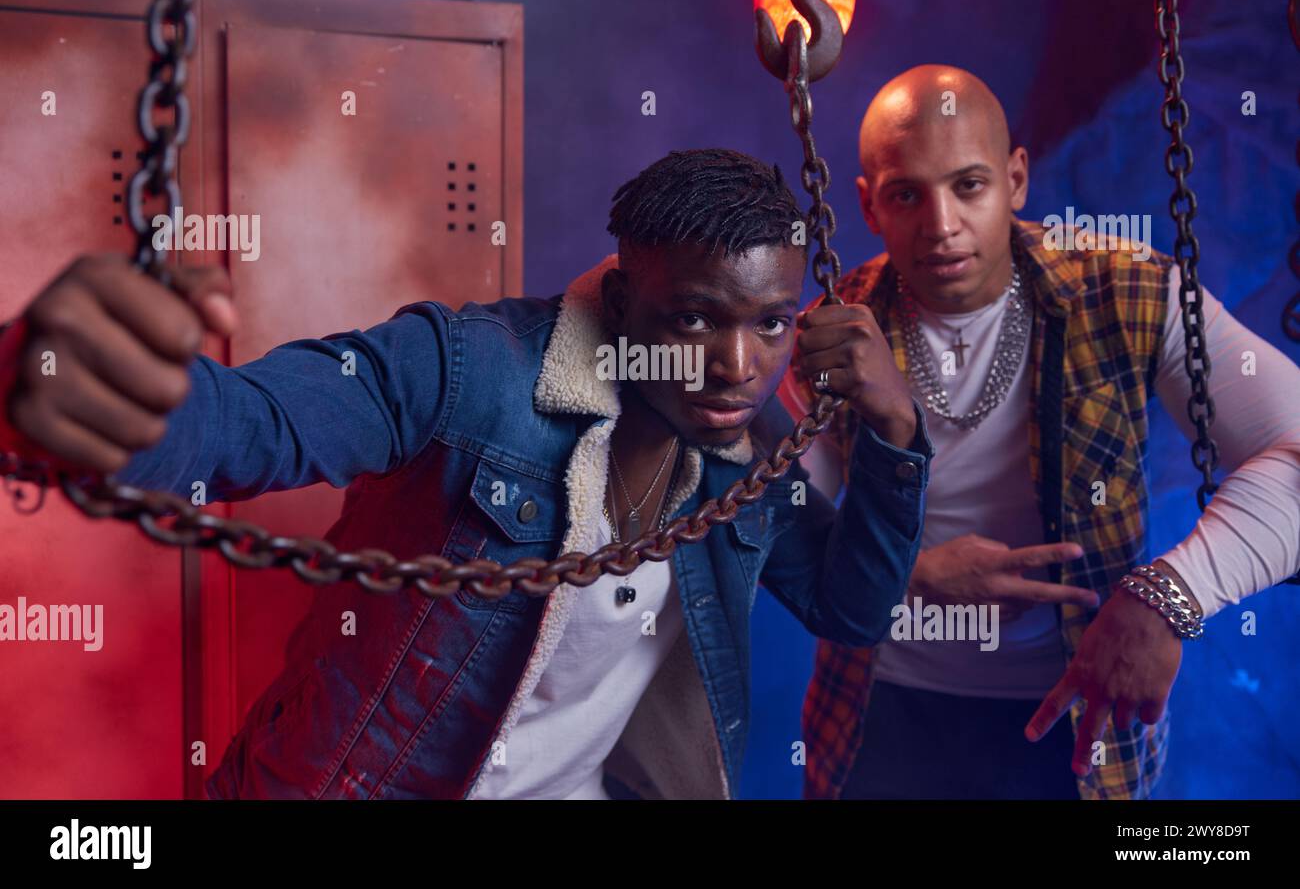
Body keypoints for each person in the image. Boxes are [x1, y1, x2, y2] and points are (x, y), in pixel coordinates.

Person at [0, 147, 933, 799]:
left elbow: (849, 609)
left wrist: (895, 427)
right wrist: (51, 381)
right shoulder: (465, 370)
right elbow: (246, 427)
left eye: (771, 323)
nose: (737, 364)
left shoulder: (745, 445)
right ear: (619, 302)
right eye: (694, 319)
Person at [782, 66, 1300, 800]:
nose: (941, 225)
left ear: (1016, 179)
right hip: (878, 707)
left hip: (1080, 712)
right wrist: (912, 572)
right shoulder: (837, 331)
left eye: (969, 185)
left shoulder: (1130, 289)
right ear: (869, 205)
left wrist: (1167, 597)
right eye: (907, 195)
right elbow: (780, 525)